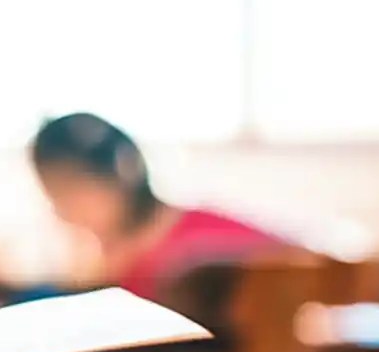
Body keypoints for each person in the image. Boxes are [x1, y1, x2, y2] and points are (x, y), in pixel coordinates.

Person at [32, 113, 288, 306]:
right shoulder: (102, 274)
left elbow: (304, 270)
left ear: (124, 171)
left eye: (72, 190)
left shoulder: (205, 250)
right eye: (56, 196)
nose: (66, 213)